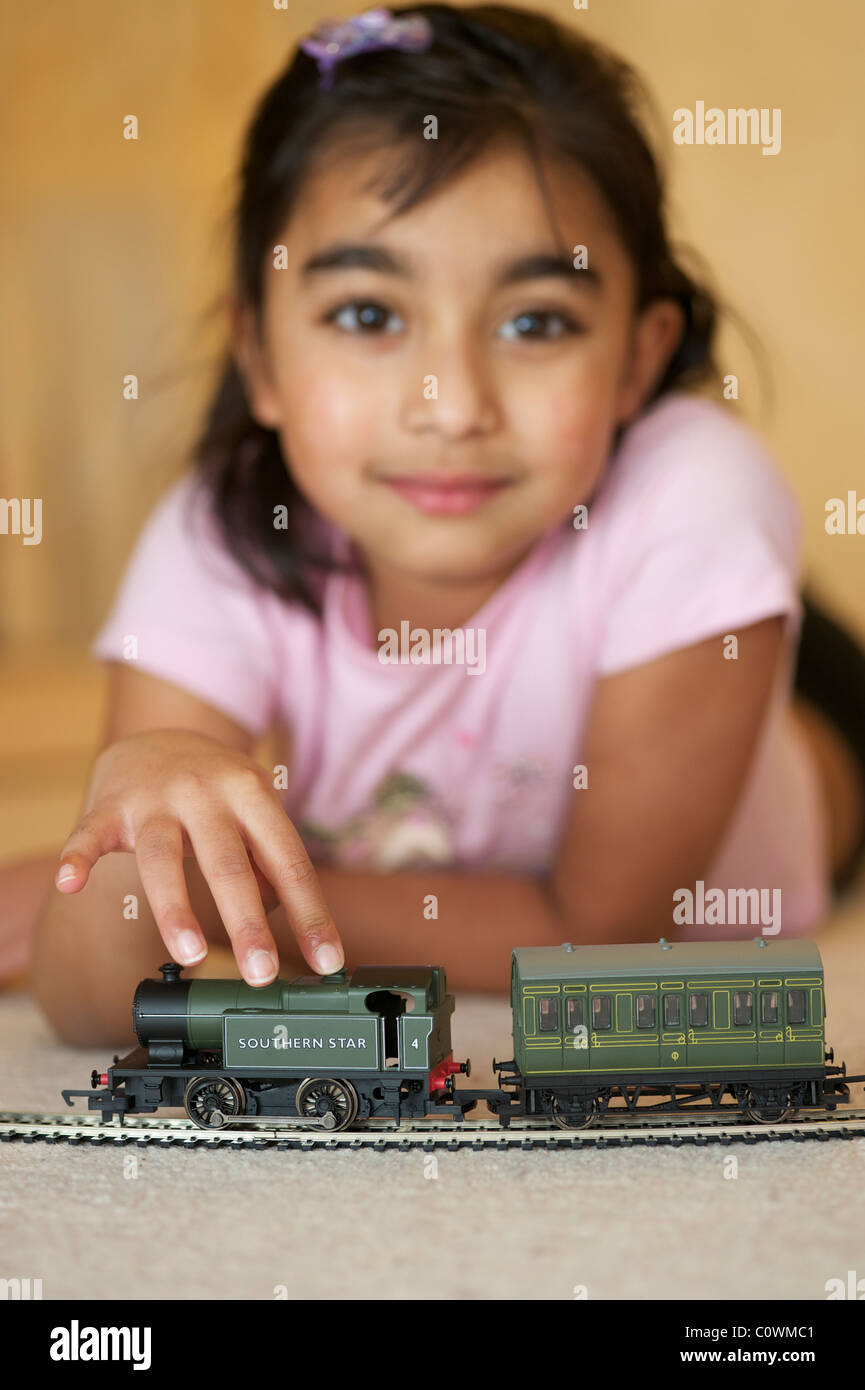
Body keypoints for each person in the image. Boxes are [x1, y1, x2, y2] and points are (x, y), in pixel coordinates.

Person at [10, 4, 865, 1044]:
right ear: (259, 356)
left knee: (820, 740)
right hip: (607, 585)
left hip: (786, 713)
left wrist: (246, 888)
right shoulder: (220, 527)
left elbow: (593, 928)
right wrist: (126, 853)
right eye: (368, 315)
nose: (453, 406)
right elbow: (105, 987)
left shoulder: (694, 494)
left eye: (535, 322)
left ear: (640, 357)